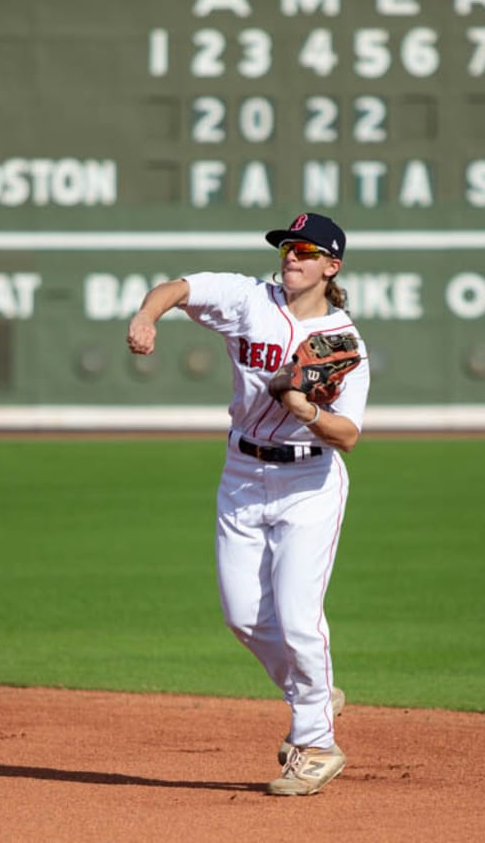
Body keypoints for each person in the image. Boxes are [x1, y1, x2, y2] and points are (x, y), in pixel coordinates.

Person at [126, 212, 370, 796]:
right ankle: (313, 693)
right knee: (243, 616)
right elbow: (180, 288)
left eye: (306, 251)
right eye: (288, 247)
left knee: (297, 616)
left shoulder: (344, 341)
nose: (292, 256)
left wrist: (301, 405)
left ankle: (315, 743)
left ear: (331, 266)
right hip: (241, 472)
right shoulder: (249, 300)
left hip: (308, 483)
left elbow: (348, 435)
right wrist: (146, 315)